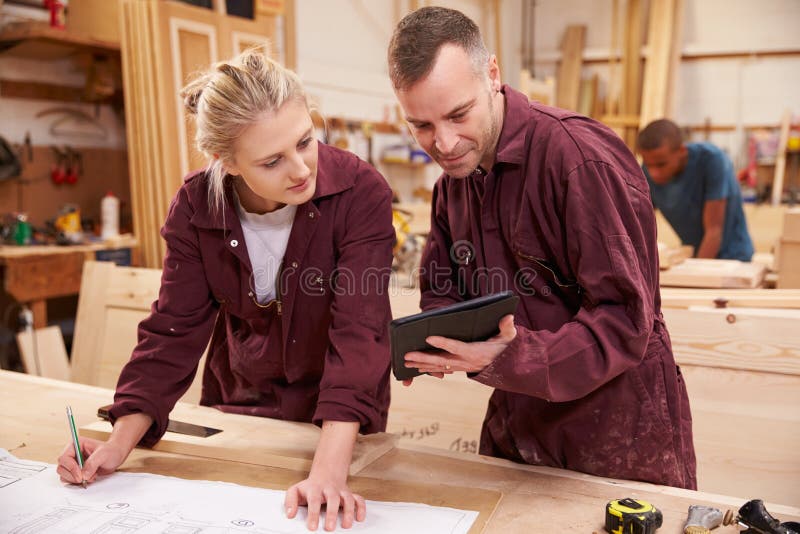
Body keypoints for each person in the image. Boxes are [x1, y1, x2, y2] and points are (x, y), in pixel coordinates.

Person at [57, 47, 395, 532]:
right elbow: (174, 330)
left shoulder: (361, 192)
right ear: (226, 162)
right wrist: (118, 441)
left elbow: (360, 331)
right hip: (239, 409)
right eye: (273, 160)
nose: (301, 170)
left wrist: (328, 473)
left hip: (341, 424)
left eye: (306, 141)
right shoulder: (196, 206)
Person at [388, 7, 696, 489]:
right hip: (518, 427)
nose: (444, 143)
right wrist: (436, 342)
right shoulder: (455, 182)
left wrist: (508, 356)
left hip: (616, 435)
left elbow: (624, 320)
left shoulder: (578, 158)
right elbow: (443, 288)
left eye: (457, 114)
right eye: (421, 126)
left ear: (492, 74)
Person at [638, 119, 754, 261]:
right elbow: (641, 224)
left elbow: (714, 232)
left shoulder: (712, 160)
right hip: (694, 255)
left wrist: (696, 270)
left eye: (661, 165)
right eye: (648, 165)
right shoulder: (648, 170)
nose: (654, 173)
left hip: (733, 258)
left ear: (681, 151)